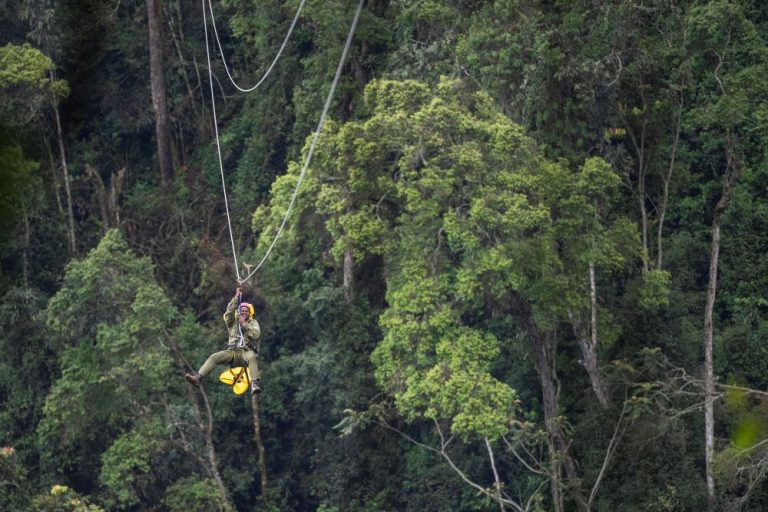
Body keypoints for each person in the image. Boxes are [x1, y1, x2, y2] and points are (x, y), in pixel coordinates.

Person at [185, 286, 262, 395]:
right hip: (233, 353)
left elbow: (256, 335)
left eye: (246, 311)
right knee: (215, 357)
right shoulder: (232, 322)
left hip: (246, 352)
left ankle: (254, 384)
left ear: (250, 313)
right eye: (242, 310)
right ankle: (198, 378)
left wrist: (244, 324)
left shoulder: (253, 323)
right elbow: (228, 313)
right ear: (238, 312)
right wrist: (236, 297)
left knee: (252, 357)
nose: (244, 312)